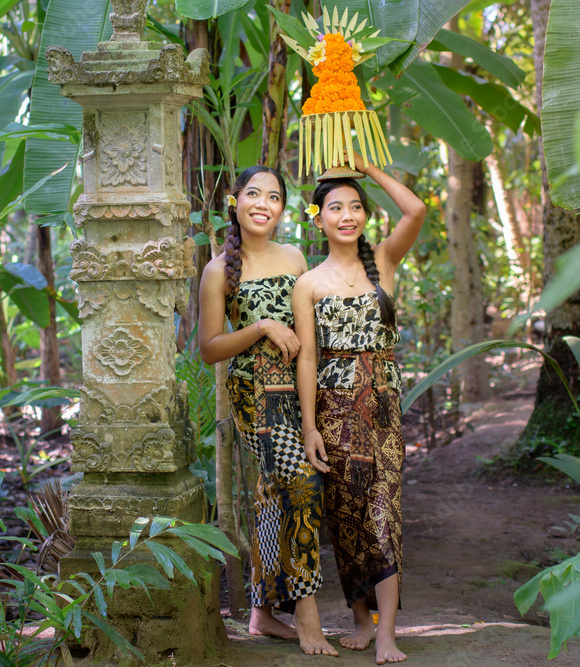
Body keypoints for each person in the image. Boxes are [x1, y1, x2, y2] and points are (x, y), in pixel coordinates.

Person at [198, 165, 338, 656]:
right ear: (234, 200)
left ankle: (260, 611)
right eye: (253, 193)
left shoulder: (296, 255)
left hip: (301, 388)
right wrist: (259, 327)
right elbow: (210, 348)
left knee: (272, 495)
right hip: (255, 394)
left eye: (273, 196)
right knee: (301, 483)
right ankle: (306, 613)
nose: (263, 203)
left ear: (282, 207)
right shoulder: (218, 270)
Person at [292, 162, 425, 664]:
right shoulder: (308, 283)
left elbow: (415, 209)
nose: (347, 216)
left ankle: (387, 632)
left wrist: (366, 170)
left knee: (383, 514)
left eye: (355, 207)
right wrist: (309, 426)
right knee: (346, 518)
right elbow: (307, 357)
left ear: (365, 215)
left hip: (384, 409)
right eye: (335, 208)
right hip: (333, 412)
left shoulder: (385, 261)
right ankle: (360, 620)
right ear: (318, 219)